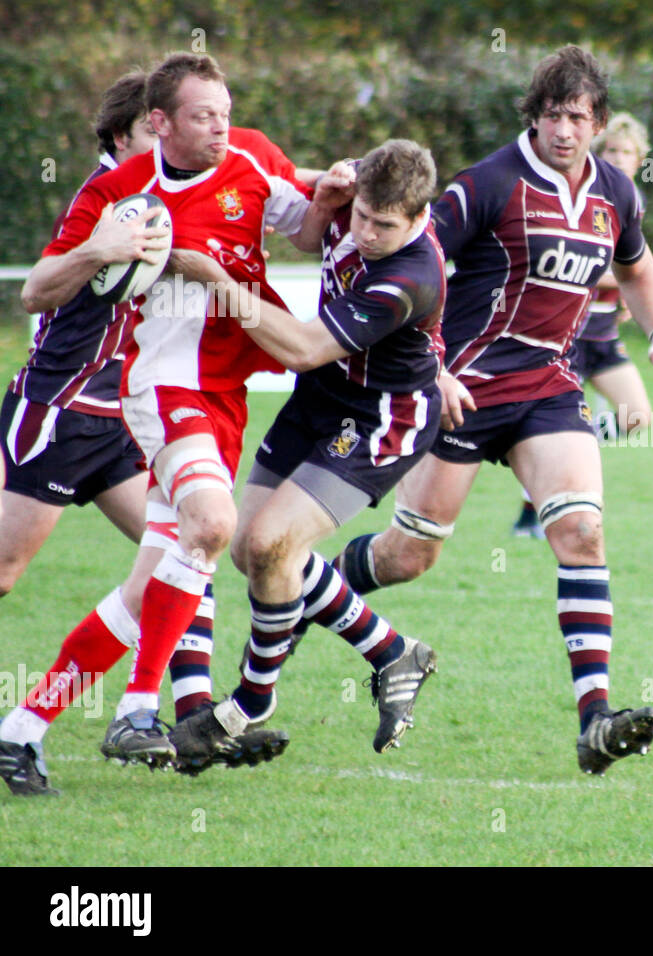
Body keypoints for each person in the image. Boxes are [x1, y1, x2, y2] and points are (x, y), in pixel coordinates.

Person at [326, 46, 653, 776]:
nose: (564, 129)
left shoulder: (615, 193)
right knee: (410, 556)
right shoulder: (488, 184)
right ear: (534, 115)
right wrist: (427, 368)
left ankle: (595, 719)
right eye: (552, 114)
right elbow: (415, 262)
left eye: (578, 116)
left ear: (597, 121)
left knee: (583, 531)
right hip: (464, 387)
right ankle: (305, 591)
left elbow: (638, 267)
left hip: (549, 387)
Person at [8, 52, 336, 786]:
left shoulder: (248, 168)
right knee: (215, 525)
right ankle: (140, 709)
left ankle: (22, 726)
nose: (222, 128)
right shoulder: (121, 191)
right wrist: (103, 247)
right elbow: (34, 290)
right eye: (204, 116)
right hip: (156, 385)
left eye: (225, 112)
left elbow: (307, 230)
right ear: (159, 123)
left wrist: (335, 190)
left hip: (224, 390)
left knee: (154, 579)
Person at [162, 140, 450, 771]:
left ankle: (244, 709)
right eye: (363, 216)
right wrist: (325, 200)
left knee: (271, 543)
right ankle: (393, 652)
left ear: (419, 219)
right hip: (319, 399)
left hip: (380, 418)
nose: (367, 233)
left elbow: (299, 347)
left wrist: (217, 281)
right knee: (249, 550)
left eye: (385, 225)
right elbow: (304, 226)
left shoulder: (408, 279)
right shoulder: (356, 198)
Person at [0, 71, 216, 795]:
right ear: (129, 135)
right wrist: (102, 247)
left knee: (185, 547)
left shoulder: (169, 190)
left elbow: (251, 162)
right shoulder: (105, 196)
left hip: (120, 420)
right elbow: (36, 289)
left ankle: (143, 714)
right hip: (58, 411)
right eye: (156, 131)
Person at [512, 112, 653, 538]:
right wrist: (630, 283)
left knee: (636, 416)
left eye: (626, 152)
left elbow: (627, 265)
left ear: (639, 158)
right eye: (610, 149)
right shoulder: (582, 192)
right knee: (550, 434)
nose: (617, 157)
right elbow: (595, 267)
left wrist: (629, 294)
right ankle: (528, 518)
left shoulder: (631, 200)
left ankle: (580, 439)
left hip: (605, 337)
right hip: (568, 339)